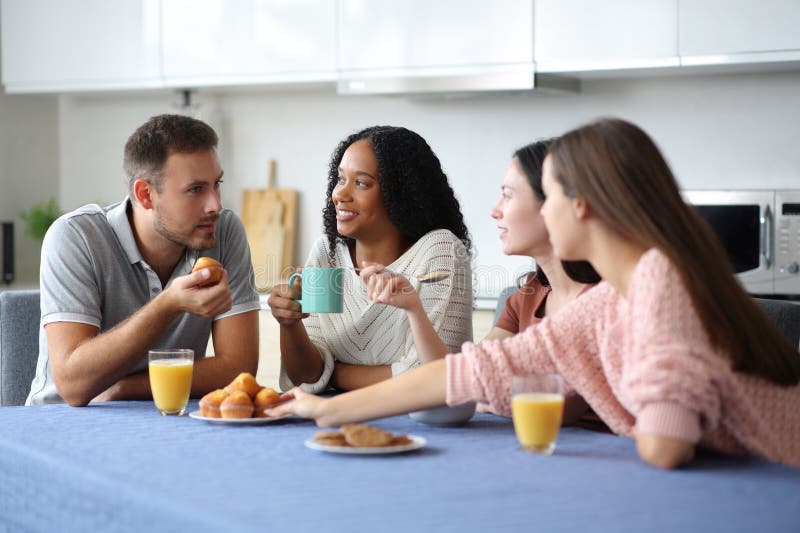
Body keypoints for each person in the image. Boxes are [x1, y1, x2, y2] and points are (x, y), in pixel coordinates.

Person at [269, 118, 800, 470]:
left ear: (582, 205)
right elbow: (474, 371)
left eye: (547, 197)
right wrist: (327, 412)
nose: (537, 213)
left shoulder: (657, 277)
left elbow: (665, 443)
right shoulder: (604, 304)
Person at [358, 139, 601, 424]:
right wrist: (414, 307)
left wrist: (482, 391)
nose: (495, 210)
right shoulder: (528, 296)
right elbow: (459, 378)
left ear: (554, 204)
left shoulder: (600, 302)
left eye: (508, 196)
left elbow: (560, 405)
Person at [27, 114, 260, 406]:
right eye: (196, 189)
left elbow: (237, 369)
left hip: (167, 417)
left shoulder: (223, 231)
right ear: (145, 194)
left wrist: (124, 388)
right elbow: (74, 386)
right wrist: (168, 304)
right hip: (62, 423)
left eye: (217, 184)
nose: (215, 204)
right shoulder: (76, 237)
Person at [268, 125, 472, 393]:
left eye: (361, 183)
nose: (339, 194)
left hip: (415, 424)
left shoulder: (440, 251)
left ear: (399, 195)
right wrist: (290, 324)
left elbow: (432, 376)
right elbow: (305, 378)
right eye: (341, 179)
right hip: (333, 421)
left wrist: (333, 374)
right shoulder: (327, 253)